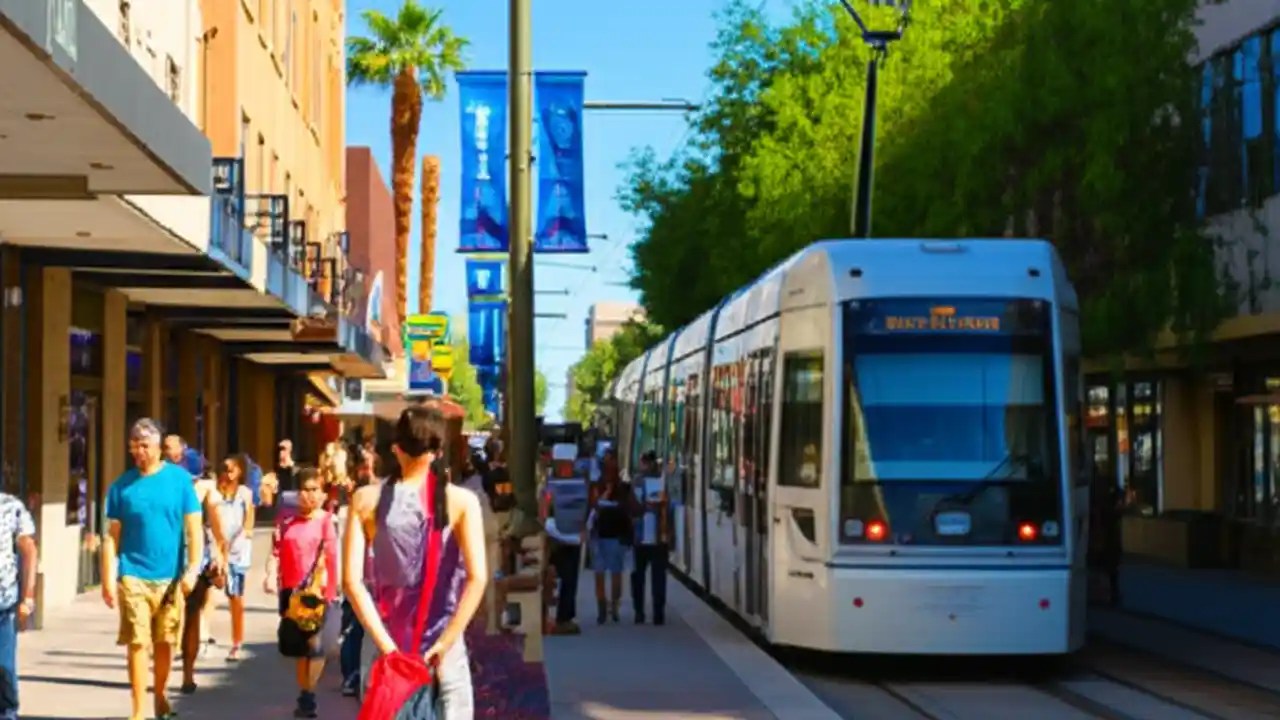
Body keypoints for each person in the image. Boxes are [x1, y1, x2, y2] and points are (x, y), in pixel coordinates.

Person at [343, 406, 488, 719]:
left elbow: (352, 582)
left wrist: (387, 647)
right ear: (437, 451)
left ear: (396, 448)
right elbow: (478, 578)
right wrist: (446, 641)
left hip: (385, 648)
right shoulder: (462, 502)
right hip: (442, 649)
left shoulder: (365, 500)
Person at [102, 418, 203, 720]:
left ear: (159, 447)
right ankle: (138, 711)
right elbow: (112, 537)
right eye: (134, 446)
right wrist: (109, 577)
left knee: (165, 642)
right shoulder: (121, 487)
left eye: (144, 445)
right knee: (137, 641)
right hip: (133, 574)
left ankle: (160, 694)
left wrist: (193, 568)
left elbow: (194, 529)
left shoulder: (180, 481)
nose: (138, 451)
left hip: (170, 578)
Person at [264, 467, 338, 718]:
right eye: (304, 490)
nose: (309, 495)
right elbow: (274, 552)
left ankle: (308, 696)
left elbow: (331, 556)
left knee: (316, 646)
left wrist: (330, 587)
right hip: (290, 592)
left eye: (315, 489)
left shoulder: (327, 521)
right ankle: (305, 692)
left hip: (317, 592)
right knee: (299, 649)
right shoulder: (285, 521)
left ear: (323, 493)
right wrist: (269, 575)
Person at [179, 458, 226, 693]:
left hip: (184, 554)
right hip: (194, 554)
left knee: (188, 614)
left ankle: (184, 673)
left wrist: (219, 554)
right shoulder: (206, 490)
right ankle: (187, 675)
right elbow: (218, 529)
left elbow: (216, 528)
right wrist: (220, 553)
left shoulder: (167, 485)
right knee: (191, 614)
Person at [212, 454, 254, 660]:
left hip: (237, 551)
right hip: (215, 548)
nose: (227, 473)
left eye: (231, 469)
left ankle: (237, 642)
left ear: (240, 472)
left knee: (235, 597)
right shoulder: (215, 493)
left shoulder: (244, 493)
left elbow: (248, 524)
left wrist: (236, 542)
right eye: (224, 468)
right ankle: (200, 638)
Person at [0, 489, 36, 720]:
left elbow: (29, 550)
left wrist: (28, 596)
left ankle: (8, 714)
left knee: (4, 669)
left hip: (3, 604)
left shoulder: (11, 506)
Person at [587, 460, 632, 624]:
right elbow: (593, 508)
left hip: (615, 537)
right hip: (600, 536)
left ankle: (613, 606)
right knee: (601, 573)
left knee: (615, 573)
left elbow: (628, 509)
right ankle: (602, 608)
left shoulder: (623, 489)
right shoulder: (597, 488)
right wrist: (605, 494)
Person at [631, 451, 670, 625]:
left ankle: (639, 612)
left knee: (638, 576)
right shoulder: (663, 482)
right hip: (659, 537)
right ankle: (658, 613)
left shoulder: (637, 482)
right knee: (658, 576)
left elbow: (631, 507)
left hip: (641, 537)